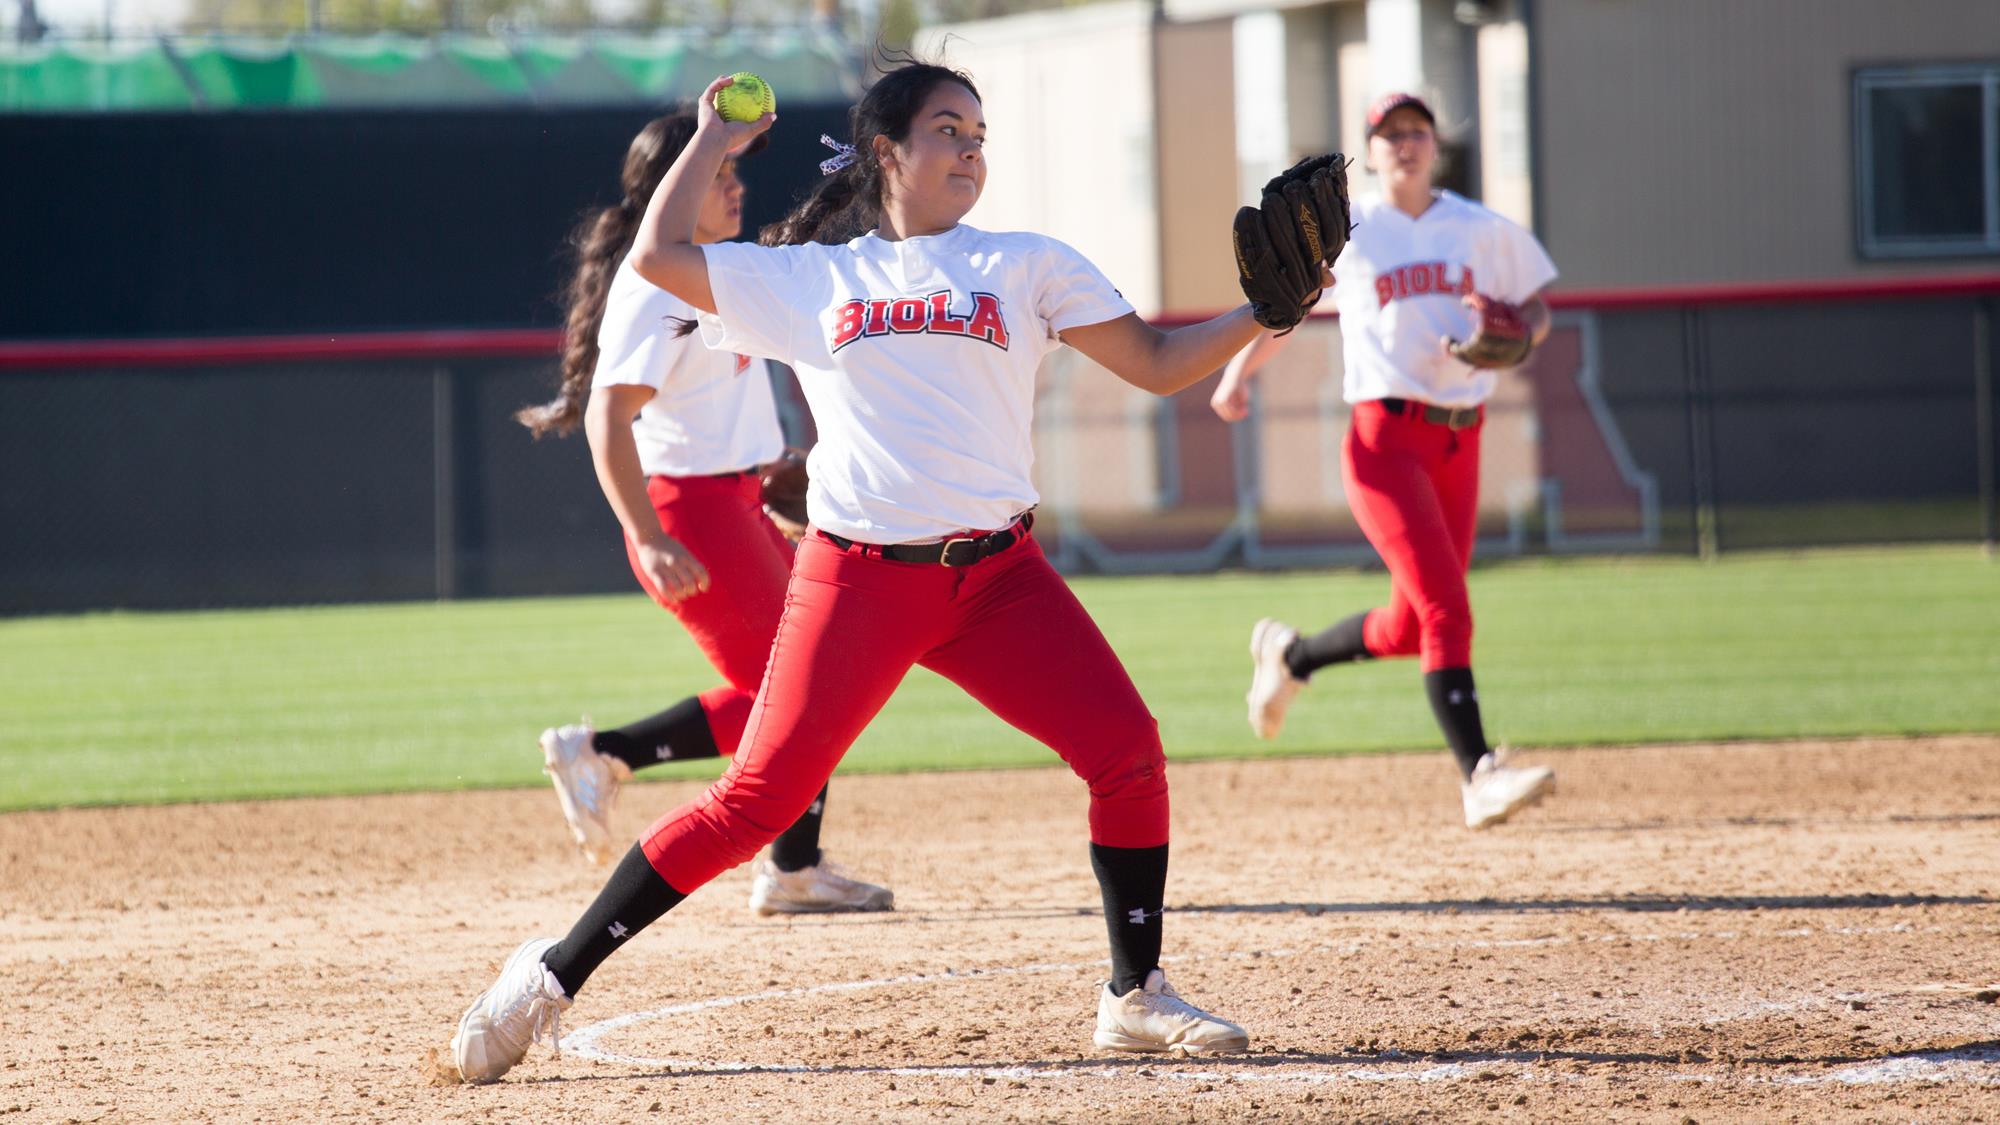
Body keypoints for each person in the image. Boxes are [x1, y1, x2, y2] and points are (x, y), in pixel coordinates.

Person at [452, 60, 1290, 1082]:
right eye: (947, 128)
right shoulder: (814, 278)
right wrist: (714, 135)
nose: (972, 146)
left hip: (998, 581)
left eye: (979, 131)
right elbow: (663, 254)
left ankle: (1134, 996)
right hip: (857, 583)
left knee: (1125, 751)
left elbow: (1158, 364)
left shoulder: (1025, 263)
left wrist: (1265, 313)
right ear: (887, 150)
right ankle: (546, 975)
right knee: (753, 804)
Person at [514, 111, 892, 915]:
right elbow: (607, 420)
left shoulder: (713, 271)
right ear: (670, 190)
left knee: (811, 678)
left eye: (729, 170)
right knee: (807, 684)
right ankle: (771, 856)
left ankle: (626, 766)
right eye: (718, 172)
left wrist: (775, 471)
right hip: (690, 512)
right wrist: (647, 537)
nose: (736, 183)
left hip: (737, 499)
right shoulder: (657, 288)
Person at [1211, 92, 1558, 830]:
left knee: (1411, 625)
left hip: (1460, 437)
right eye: (1388, 133)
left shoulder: (1478, 227)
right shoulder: (1354, 230)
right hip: (1384, 442)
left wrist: (1521, 332)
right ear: (1369, 151)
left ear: (1436, 145)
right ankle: (1479, 774)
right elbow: (1293, 306)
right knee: (1446, 609)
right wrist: (1240, 374)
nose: (1404, 142)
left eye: (1416, 131)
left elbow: (1536, 306)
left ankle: (1292, 656)